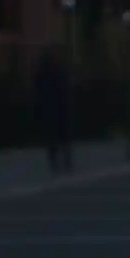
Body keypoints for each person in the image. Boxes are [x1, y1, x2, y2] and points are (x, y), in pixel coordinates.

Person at [35, 45, 73, 173]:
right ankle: (64, 159)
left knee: (53, 135)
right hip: (59, 106)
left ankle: (56, 160)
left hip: (51, 106)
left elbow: (38, 87)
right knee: (61, 134)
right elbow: (65, 86)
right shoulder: (60, 70)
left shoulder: (44, 71)